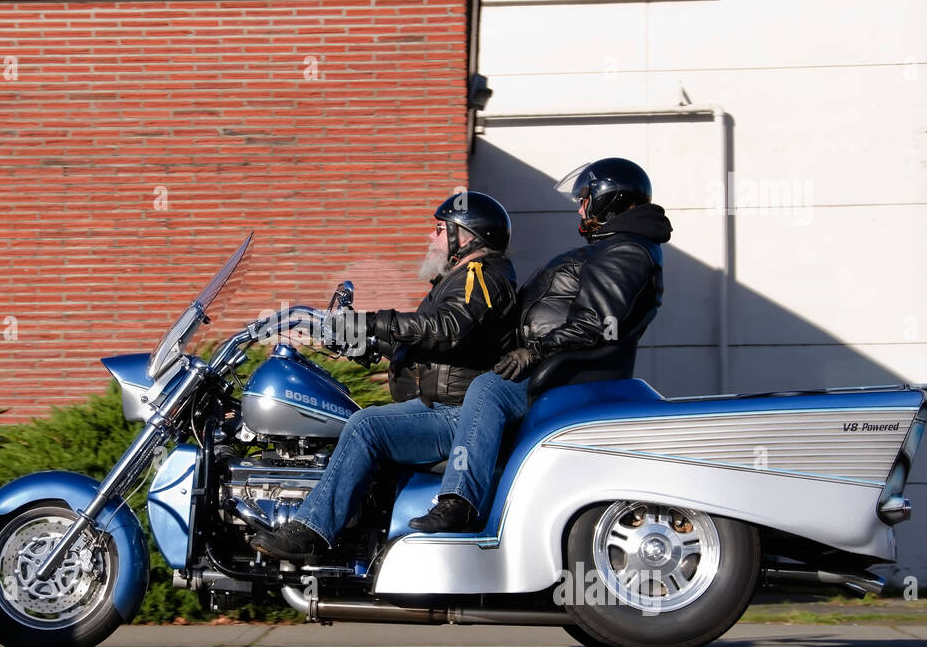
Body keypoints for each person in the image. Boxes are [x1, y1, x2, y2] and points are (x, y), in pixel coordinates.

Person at [407, 156, 673, 533]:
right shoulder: (619, 246)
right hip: (559, 367)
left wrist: (534, 350)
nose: (580, 208)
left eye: (585, 198)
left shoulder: (624, 250)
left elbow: (596, 324)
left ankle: (459, 501)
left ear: (607, 200)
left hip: (567, 375)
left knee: (488, 389)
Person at [252, 191, 519, 562]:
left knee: (366, 426)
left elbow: (448, 328)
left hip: (455, 413)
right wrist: (369, 343)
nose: (431, 237)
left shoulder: (481, 276)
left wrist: (374, 320)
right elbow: (437, 348)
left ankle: (311, 532)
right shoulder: (459, 280)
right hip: (439, 406)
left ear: (467, 236)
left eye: (440, 230)